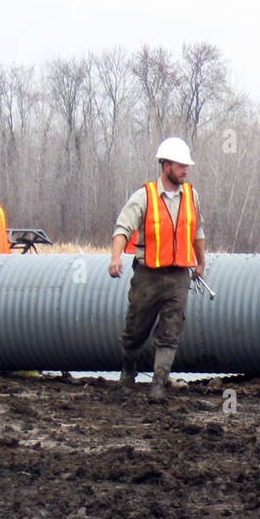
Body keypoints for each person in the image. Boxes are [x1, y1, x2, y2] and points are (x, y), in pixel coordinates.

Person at [109, 137, 206, 401]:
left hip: (178, 276)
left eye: (187, 166)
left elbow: (197, 230)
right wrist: (116, 257)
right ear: (166, 166)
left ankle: (158, 384)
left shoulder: (191, 196)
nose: (186, 170)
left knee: (171, 330)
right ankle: (128, 374)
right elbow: (123, 228)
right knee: (136, 329)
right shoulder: (145, 196)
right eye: (181, 165)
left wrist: (201, 262)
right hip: (148, 275)